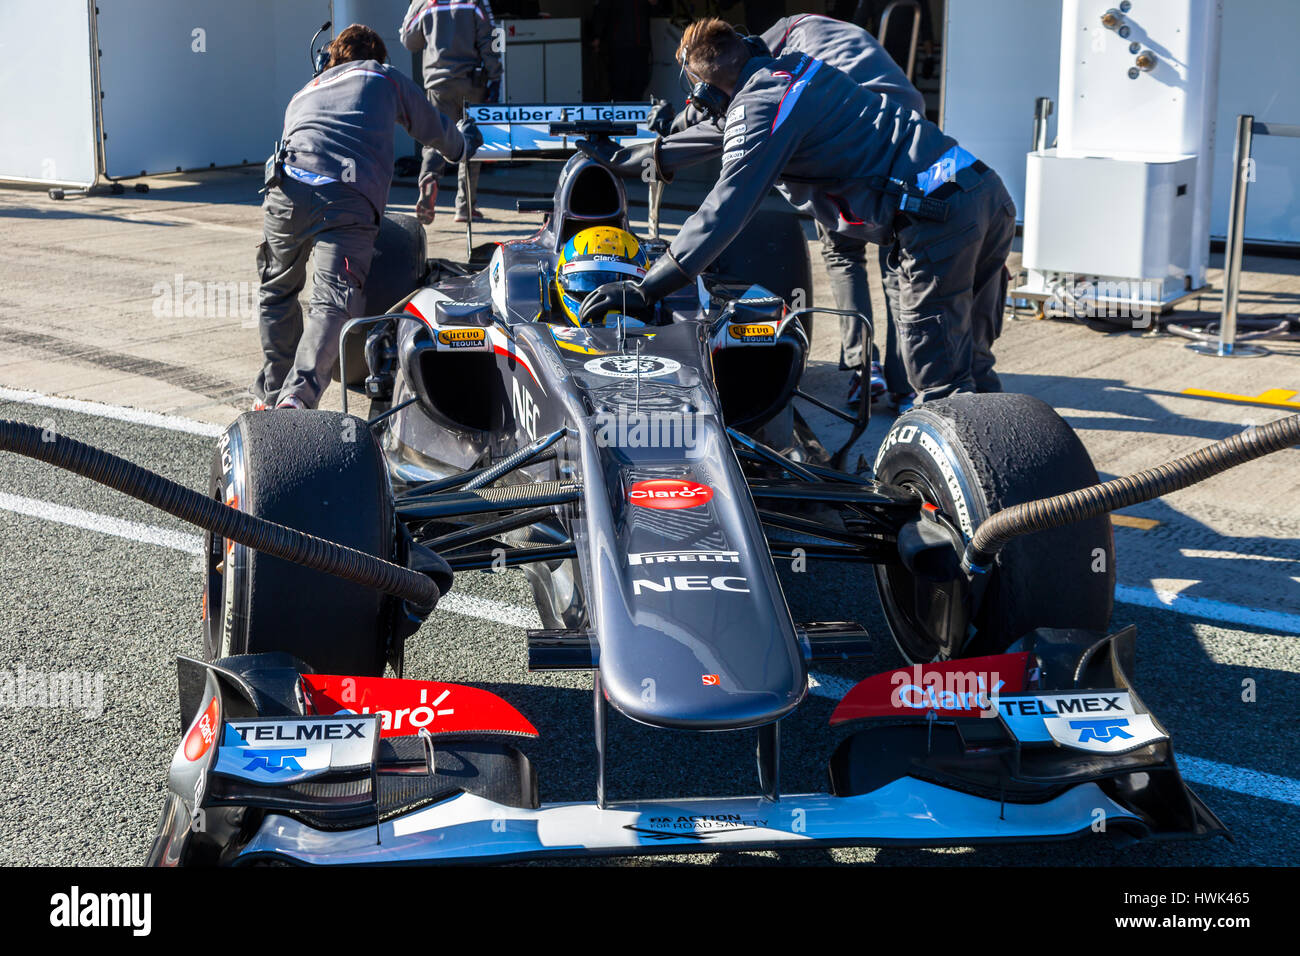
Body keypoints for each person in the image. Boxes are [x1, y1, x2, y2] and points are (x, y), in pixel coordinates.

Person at [579, 18, 1014, 405]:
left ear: (707, 89)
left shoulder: (759, 109)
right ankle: (1012, 477)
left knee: (941, 384)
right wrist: (625, 158)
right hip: (982, 192)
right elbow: (712, 135)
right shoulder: (798, 71)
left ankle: (953, 485)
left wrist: (650, 288)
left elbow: (725, 208)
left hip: (934, 217)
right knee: (974, 366)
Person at [252, 23, 481, 411]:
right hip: (346, 197)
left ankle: (271, 393)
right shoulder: (382, 76)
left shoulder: (302, 93)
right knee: (332, 303)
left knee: (276, 292)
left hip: (284, 188)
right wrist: (462, 145)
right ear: (377, 56)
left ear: (331, 58)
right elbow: (431, 126)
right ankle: (297, 397)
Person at [400, 0, 502, 223]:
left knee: (435, 138)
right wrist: (495, 75)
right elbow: (491, 37)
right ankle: (465, 207)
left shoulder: (426, 2)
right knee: (471, 140)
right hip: (471, 81)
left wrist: (415, 7)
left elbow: (409, 40)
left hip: (438, 83)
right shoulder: (475, 2)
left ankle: (429, 179)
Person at [591, 0, 659, 101]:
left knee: (639, 84)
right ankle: (621, 113)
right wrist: (596, 36)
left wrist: (655, 4)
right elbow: (602, 11)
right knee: (619, 86)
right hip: (619, 46)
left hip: (640, 46)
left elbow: (659, 11)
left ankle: (635, 113)